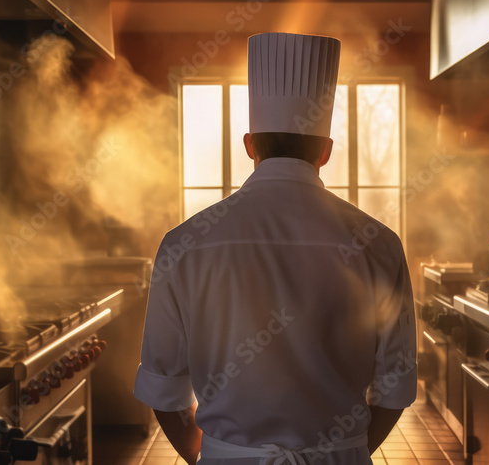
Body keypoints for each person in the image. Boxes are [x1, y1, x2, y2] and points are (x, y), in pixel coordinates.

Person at [134, 32, 416, 465]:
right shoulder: (378, 243)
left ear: (249, 145)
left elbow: (164, 389)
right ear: (326, 151)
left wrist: (214, 456)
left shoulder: (184, 242)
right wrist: (345, 452)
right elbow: (394, 389)